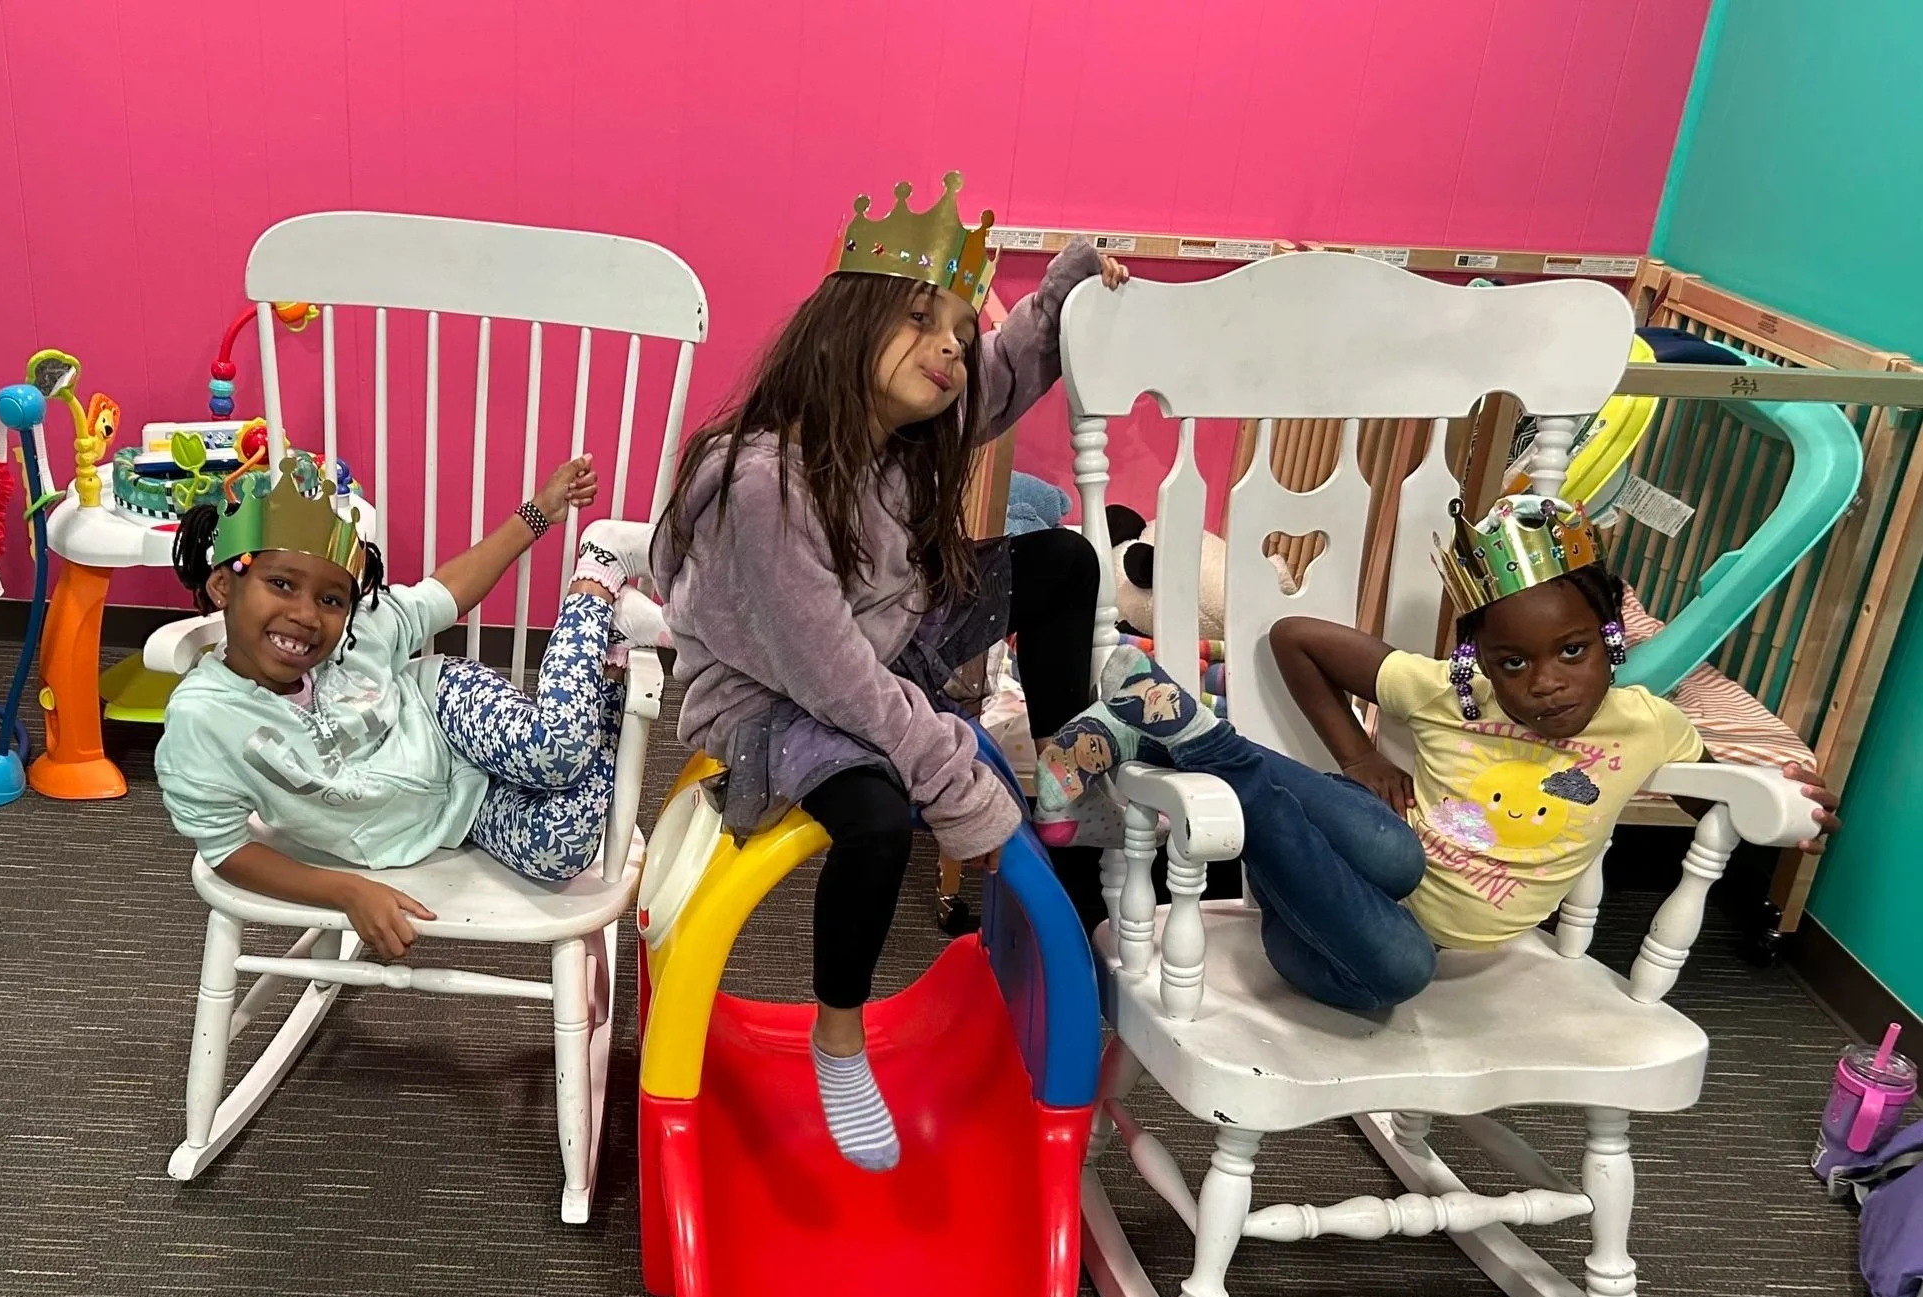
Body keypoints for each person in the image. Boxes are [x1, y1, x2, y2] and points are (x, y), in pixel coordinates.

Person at [651, 173, 1126, 1171]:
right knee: (871, 814)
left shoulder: (903, 438)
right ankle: (838, 1035)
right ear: (847, 327)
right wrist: (952, 780)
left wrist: (1066, 289)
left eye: (956, 328)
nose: (948, 347)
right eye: (920, 320)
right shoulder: (762, 483)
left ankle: (1069, 815)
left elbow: (1000, 371)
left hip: (870, 644)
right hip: (771, 698)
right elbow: (832, 680)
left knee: (1061, 562)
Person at [1035, 493, 1841, 1011]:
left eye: (1571, 652)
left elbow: (1708, 792)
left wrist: (1777, 800)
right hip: (1372, 864)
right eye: (1512, 663)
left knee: (1394, 961)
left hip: (1327, 935)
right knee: (1397, 869)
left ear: (1610, 639)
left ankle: (1178, 735)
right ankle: (1173, 727)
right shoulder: (1457, 693)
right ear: (1480, 659)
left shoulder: (1645, 722)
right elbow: (1294, 637)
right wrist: (1359, 757)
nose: (1545, 683)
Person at [156, 448, 666, 960]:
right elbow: (226, 848)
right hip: (451, 815)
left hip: (444, 712)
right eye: (281, 584)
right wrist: (345, 890)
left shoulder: (358, 634)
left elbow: (444, 594)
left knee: (556, 751)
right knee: (562, 850)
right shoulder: (204, 718)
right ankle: (609, 652)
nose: (306, 615)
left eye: (331, 600)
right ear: (222, 585)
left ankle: (598, 568)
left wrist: (536, 513)